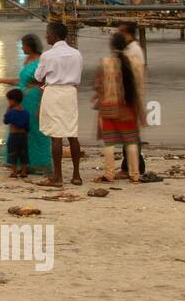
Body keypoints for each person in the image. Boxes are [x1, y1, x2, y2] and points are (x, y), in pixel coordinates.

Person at [0, 34, 51, 174]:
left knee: (36, 130)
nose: (22, 48)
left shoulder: (42, 60)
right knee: (20, 130)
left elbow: (46, 83)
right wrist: (2, 80)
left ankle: (39, 163)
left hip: (35, 98)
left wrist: (40, 99)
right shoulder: (26, 60)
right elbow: (21, 81)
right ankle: (23, 164)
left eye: (23, 45)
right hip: (23, 98)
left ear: (30, 46)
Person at [35, 21, 83, 187]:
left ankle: (58, 177)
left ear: (54, 35)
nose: (46, 36)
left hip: (54, 92)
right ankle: (76, 175)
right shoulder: (76, 54)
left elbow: (38, 76)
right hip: (70, 92)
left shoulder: (47, 56)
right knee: (72, 133)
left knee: (56, 136)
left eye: (47, 33)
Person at [93, 32, 143, 183]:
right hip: (129, 106)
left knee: (109, 142)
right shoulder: (134, 63)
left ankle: (109, 174)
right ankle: (135, 175)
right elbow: (139, 86)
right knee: (131, 141)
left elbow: (98, 86)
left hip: (109, 106)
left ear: (112, 45)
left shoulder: (106, 63)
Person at [116, 21, 148, 177]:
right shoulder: (129, 49)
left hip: (131, 96)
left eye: (121, 32)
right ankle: (133, 166)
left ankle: (130, 167)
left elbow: (133, 77)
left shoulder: (133, 51)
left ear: (128, 34)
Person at [3, 88, 30, 179]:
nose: (8, 102)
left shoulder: (12, 112)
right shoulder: (25, 112)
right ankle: (24, 171)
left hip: (14, 136)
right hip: (23, 136)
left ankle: (14, 172)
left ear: (13, 100)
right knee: (24, 153)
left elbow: (6, 121)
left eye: (9, 100)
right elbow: (27, 126)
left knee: (12, 154)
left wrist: (7, 110)